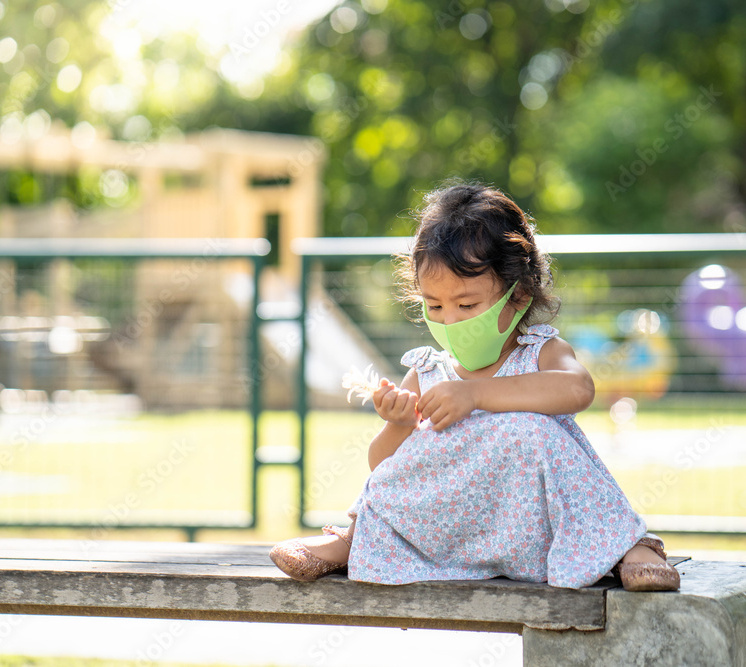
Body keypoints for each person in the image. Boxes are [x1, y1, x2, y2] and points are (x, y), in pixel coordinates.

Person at [269, 183, 680, 592]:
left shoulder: (539, 352)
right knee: (416, 455)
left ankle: (626, 545)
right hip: (457, 530)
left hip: (527, 526)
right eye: (434, 306)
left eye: (467, 306)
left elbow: (579, 390)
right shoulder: (428, 370)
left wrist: (476, 395)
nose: (450, 321)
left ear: (518, 294)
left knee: (533, 431)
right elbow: (382, 465)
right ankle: (358, 537)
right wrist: (398, 424)